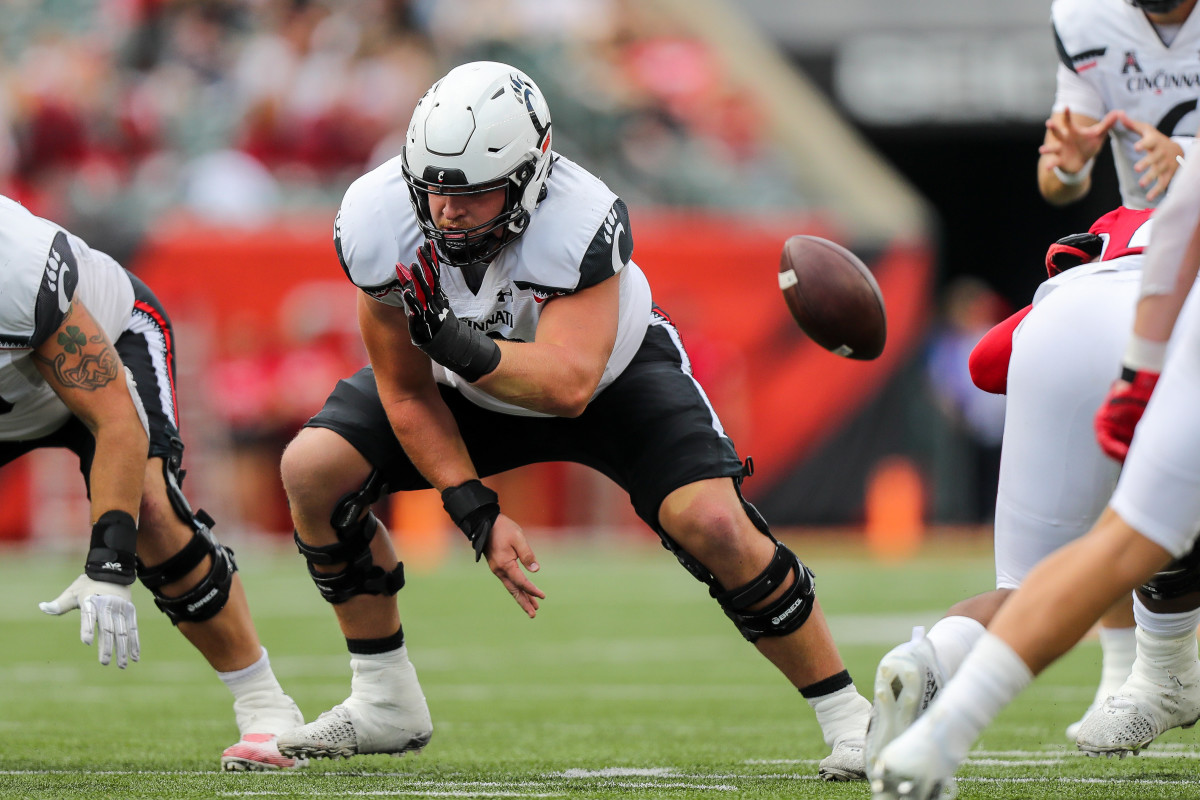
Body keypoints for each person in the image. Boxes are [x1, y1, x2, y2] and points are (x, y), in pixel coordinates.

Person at [273, 60, 872, 780]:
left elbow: (568, 385)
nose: (448, 213)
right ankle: (383, 700)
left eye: (473, 194)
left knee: (713, 524)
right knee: (312, 471)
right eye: (433, 190)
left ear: (530, 176)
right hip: (458, 389)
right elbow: (405, 394)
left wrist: (456, 341)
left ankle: (850, 717)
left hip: (611, 378)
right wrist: (475, 509)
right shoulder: (378, 221)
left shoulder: (581, 217)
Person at [869, 136, 1200, 800]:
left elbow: (988, 361)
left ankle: (932, 658)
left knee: (1031, 584)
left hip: (1061, 324)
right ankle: (1164, 676)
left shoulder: (1109, 233)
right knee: (1159, 530)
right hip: (1177, 318)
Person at [0, 194, 306, 771]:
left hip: (108, 346)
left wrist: (109, 563)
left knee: (150, 510)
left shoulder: (16, 263)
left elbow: (115, 420)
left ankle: (265, 706)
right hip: (11, 392)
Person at [1039, 0, 1199, 210]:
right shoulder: (1085, 18)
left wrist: (1187, 156)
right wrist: (1069, 171)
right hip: (1145, 228)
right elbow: (1051, 184)